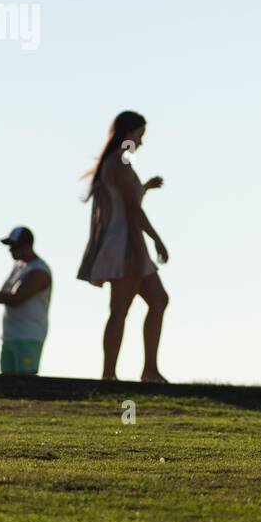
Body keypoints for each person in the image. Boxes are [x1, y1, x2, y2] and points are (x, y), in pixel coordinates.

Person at [77, 110, 170, 382]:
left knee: (158, 300)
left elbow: (126, 199)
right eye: (139, 136)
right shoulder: (119, 163)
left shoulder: (113, 163)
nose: (140, 143)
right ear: (129, 135)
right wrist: (157, 239)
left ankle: (148, 370)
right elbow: (131, 210)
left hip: (127, 244)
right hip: (125, 246)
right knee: (120, 309)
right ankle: (110, 374)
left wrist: (146, 187)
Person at [0, 226, 53, 376]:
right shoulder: (19, 266)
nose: (10, 250)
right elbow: (4, 295)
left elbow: (14, 299)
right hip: (10, 335)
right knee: (7, 386)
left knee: (25, 384)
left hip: (28, 336)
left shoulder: (39, 271)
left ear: (27, 246)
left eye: (13, 246)